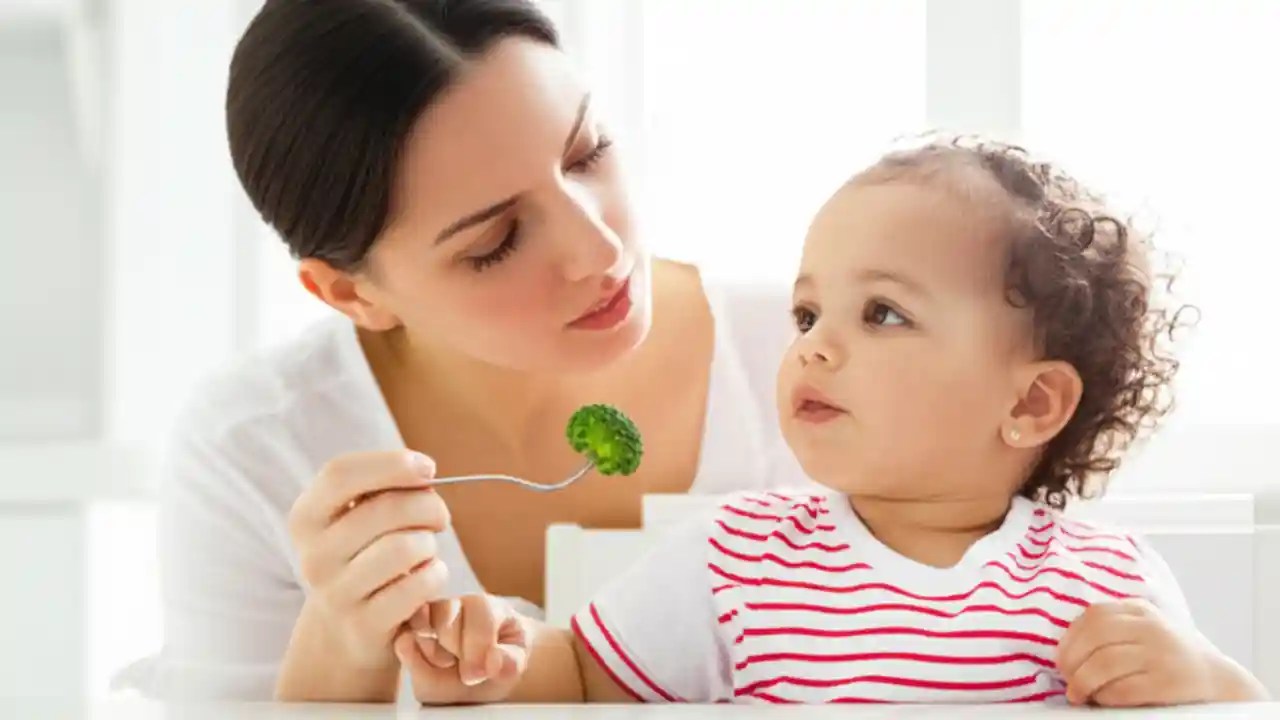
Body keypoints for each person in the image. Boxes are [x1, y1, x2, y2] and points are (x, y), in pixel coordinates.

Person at [395, 136, 1270, 706]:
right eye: (809, 315)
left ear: (1030, 403)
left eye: (882, 314)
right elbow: (583, 680)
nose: (812, 347)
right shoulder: (738, 551)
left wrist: (1216, 684)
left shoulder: (1102, 580)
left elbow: (1210, 705)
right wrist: (496, 658)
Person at [141, 0, 807, 704]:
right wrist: (338, 655)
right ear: (350, 295)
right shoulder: (257, 450)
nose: (600, 250)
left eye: (588, 153)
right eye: (495, 244)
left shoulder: (817, 355)